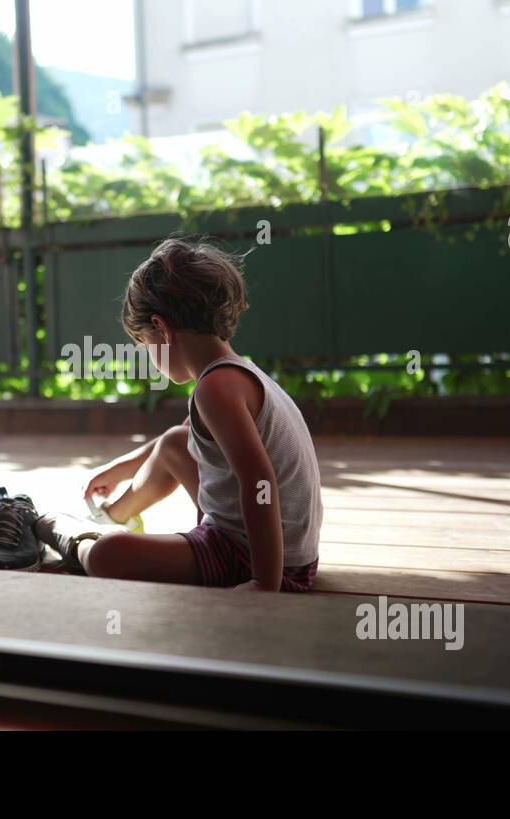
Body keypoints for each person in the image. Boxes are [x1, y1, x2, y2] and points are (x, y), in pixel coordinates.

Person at [35, 238, 323, 592]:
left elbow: (258, 481)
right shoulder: (233, 372)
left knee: (108, 554)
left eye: (144, 344)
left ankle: (71, 531)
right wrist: (122, 469)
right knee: (175, 442)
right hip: (283, 551)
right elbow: (180, 438)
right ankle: (114, 516)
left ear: (162, 329)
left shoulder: (215, 389)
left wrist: (264, 584)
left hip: (253, 557)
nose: (149, 358)